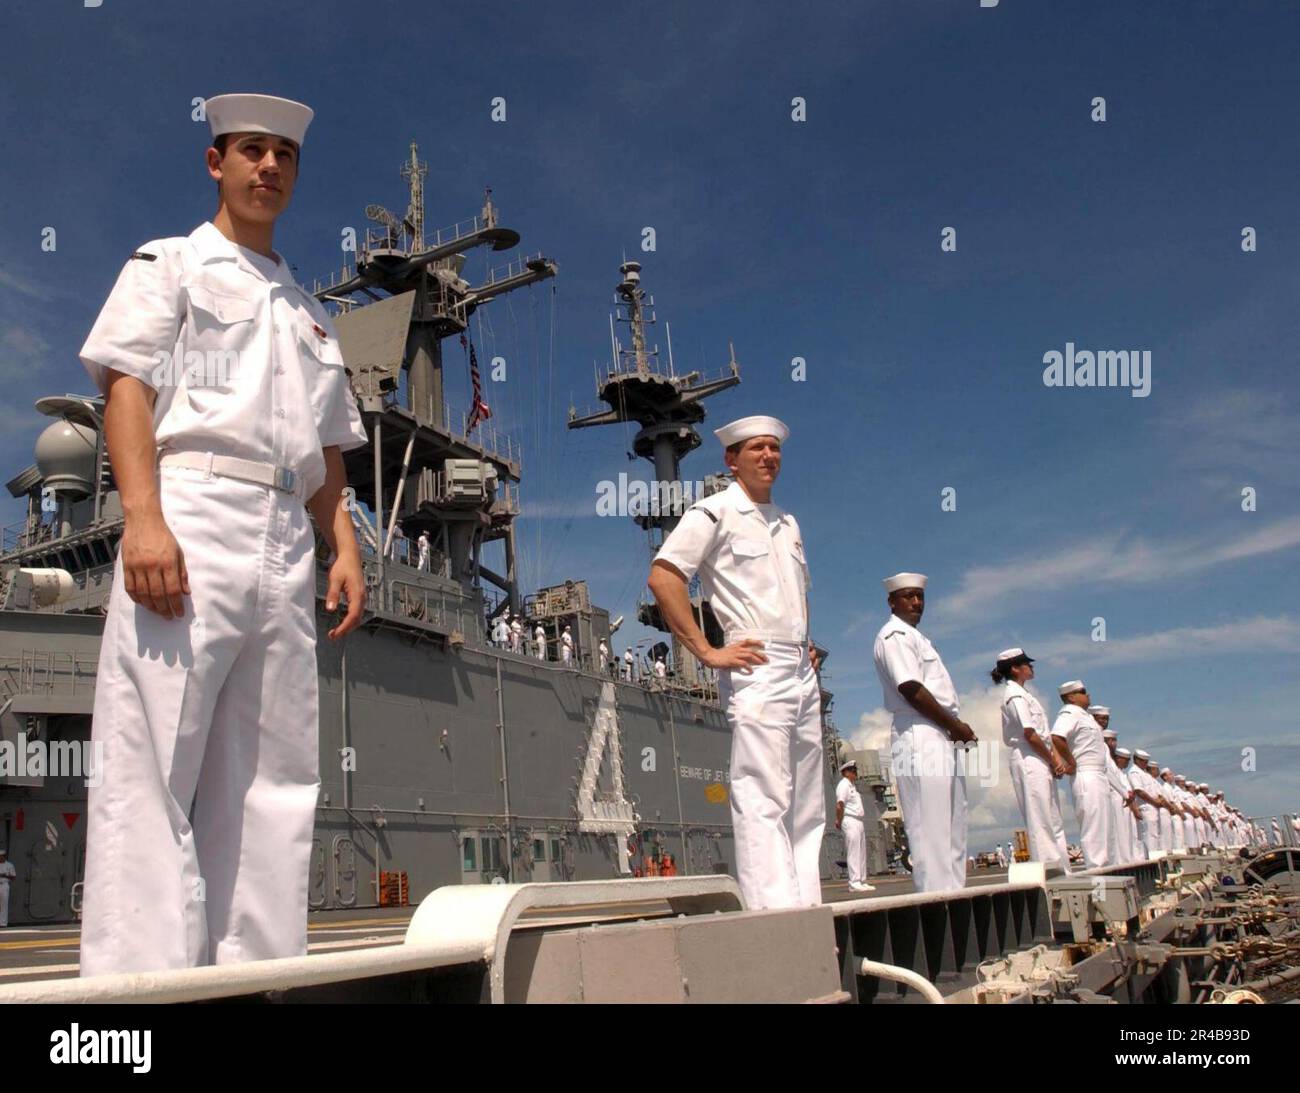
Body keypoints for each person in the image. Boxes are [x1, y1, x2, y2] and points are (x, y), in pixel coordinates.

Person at [76, 94, 367, 976]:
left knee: (274, 778)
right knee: (151, 759)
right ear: (217, 163)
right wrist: (145, 518)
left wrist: (342, 540)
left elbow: (324, 445)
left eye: (284, 154)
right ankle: (137, 1002)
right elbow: (128, 385)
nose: (268, 166)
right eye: (251, 150)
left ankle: (256, 983)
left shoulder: (312, 313)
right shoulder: (170, 264)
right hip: (194, 507)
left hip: (288, 533)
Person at [648, 415, 823, 910]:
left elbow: (795, 594)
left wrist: (805, 642)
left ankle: (807, 905)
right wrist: (706, 651)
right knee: (763, 793)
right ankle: (775, 912)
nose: (768, 456)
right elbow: (664, 576)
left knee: (807, 800)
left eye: (775, 448)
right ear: (732, 460)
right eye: (756, 449)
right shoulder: (713, 512)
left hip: (798, 666)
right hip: (756, 665)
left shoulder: (789, 524)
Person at [873, 573, 973, 893]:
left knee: (953, 824)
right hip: (918, 732)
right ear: (892, 602)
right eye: (908, 596)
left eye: (920, 597)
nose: (917, 603)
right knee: (930, 829)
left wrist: (951, 728)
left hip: (939, 731)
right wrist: (954, 725)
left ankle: (955, 896)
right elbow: (911, 688)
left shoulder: (918, 637)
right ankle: (937, 902)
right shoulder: (894, 636)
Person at [993, 647, 1070, 872]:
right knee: (1041, 820)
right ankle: (1051, 875)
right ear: (1015, 668)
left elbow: (1042, 734)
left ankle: (1064, 871)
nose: (1031, 667)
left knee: (1053, 820)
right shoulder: (1015, 696)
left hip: (1039, 758)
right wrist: (1054, 760)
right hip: (1029, 757)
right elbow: (1030, 733)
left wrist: (1054, 760)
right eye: (1027, 664)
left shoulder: (1025, 694)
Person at [1050, 681, 1110, 868]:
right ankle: (1098, 880)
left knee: (1102, 828)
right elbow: (1057, 737)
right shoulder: (1070, 713)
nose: (1088, 695)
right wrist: (1070, 761)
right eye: (1083, 692)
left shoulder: (1085, 717)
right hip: (1086, 774)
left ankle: (1103, 872)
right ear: (1070, 697)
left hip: (1098, 774)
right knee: (1093, 828)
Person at [835, 760, 875, 893]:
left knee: (861, 852)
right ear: (845, 772)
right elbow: (840, 805)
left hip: (858, 821)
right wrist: (839, 821)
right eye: (852, 771)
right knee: (853, 852)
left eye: (855, 770)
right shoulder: (843, 785)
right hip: (850, 820)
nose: (855, 773)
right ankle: (854, 882)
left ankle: (862, 881)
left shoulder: (853, 786)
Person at [0, 849, 15, 928]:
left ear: (4, 856)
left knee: (4, 904)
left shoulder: (9, 865)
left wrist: (5, 875)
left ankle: (2, 923)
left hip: (4, 885)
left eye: (1, 856)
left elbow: (13, 877)